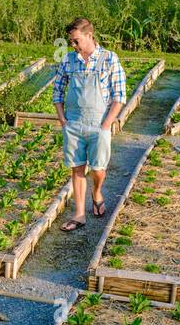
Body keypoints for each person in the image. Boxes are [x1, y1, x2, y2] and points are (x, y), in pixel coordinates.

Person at [53, 17, 126, 231]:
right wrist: (63, 120)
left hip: (98, 124)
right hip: (74, 124)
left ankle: (97, 191)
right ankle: (79, 214)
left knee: (98, 169)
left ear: (89, 35)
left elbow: (119, 95)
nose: (73, 45)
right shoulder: (68, 60)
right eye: (71, 42)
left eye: (76, 41)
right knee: (77, 169)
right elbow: (57, 91)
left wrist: (106, 125)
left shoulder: (109, 59)